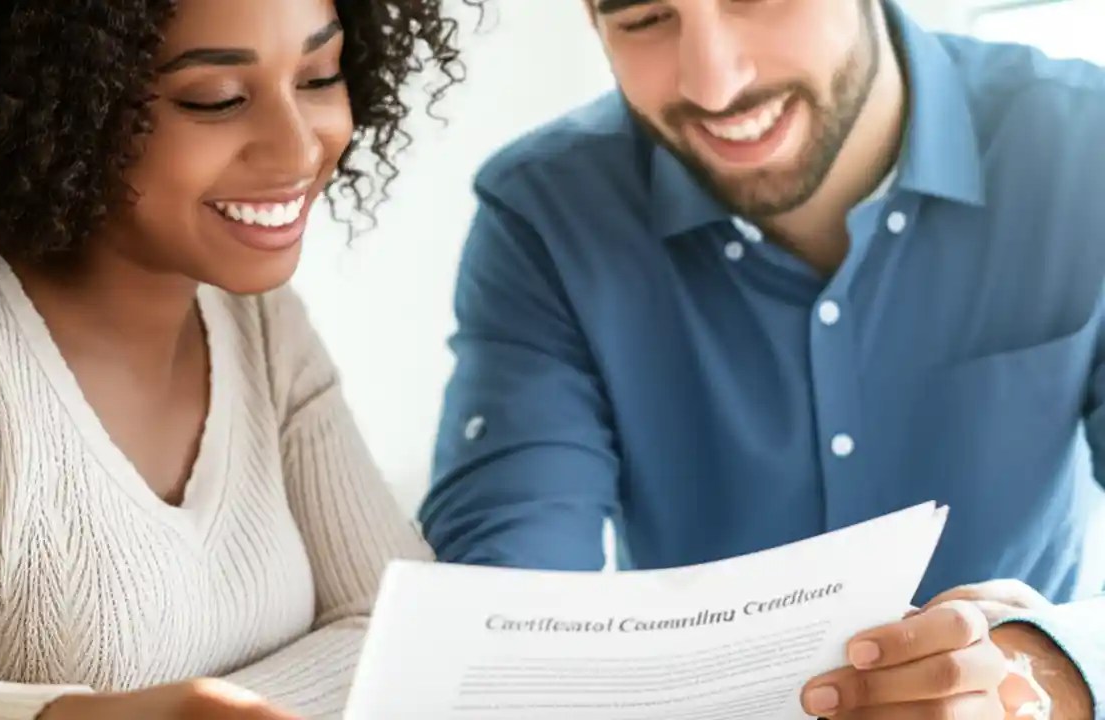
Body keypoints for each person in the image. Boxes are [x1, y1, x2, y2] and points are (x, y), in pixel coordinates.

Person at [421, 0, 1105, 717]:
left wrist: (1046, 669)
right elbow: (504, 597)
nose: (714, 85)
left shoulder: (1084, 147)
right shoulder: (545, 216)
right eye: (646, 19)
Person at [0, 0, 474, 718]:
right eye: (216, 100)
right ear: (65, 103)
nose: (297, 149)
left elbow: (401, 626)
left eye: (318, 77)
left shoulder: (258, 323)